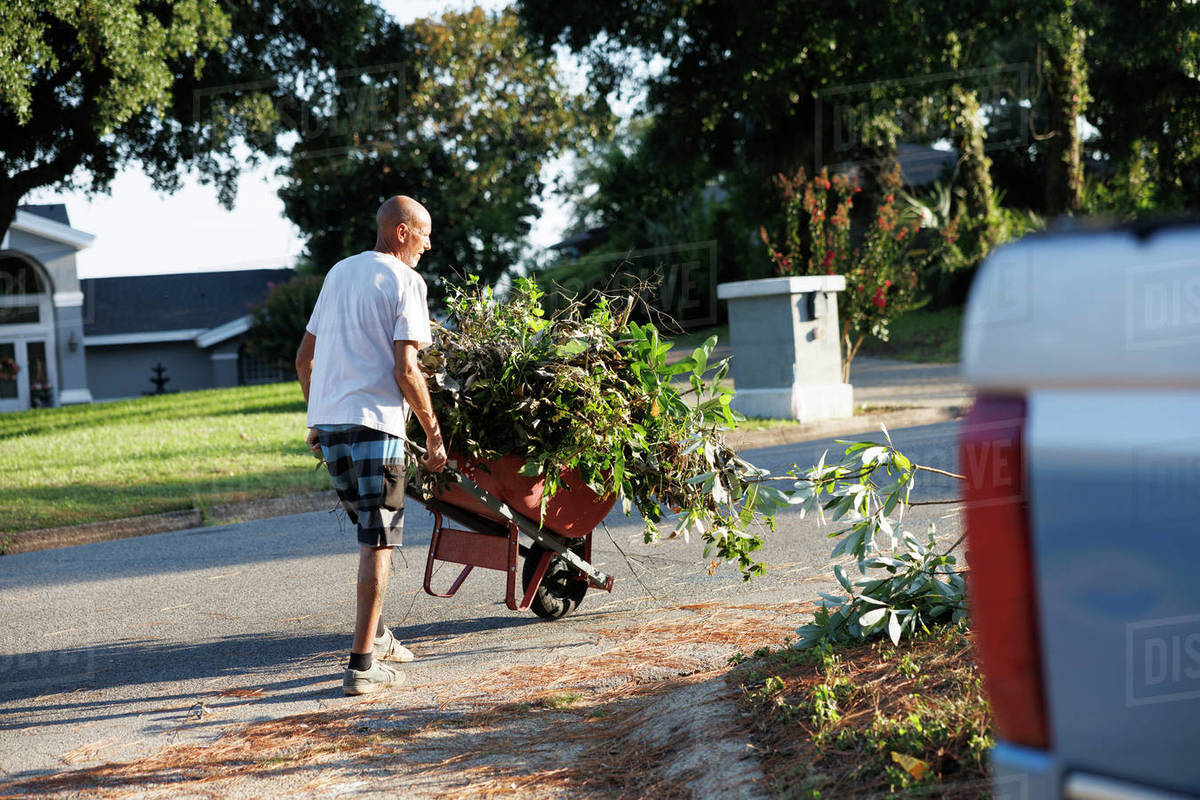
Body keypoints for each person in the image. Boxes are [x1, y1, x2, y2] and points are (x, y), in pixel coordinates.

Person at [295, 195, 448, 696]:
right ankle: (361, 666)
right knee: (378, 541)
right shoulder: (406, 281)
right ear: (401, 232)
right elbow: (406, 370)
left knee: (367, 528)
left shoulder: (338, 273)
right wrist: (432, 433)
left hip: (332, 429)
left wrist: (316, 417)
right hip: (375, 426)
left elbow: (304, 360)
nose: (429, 243)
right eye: (424, 233)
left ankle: (377, 636)